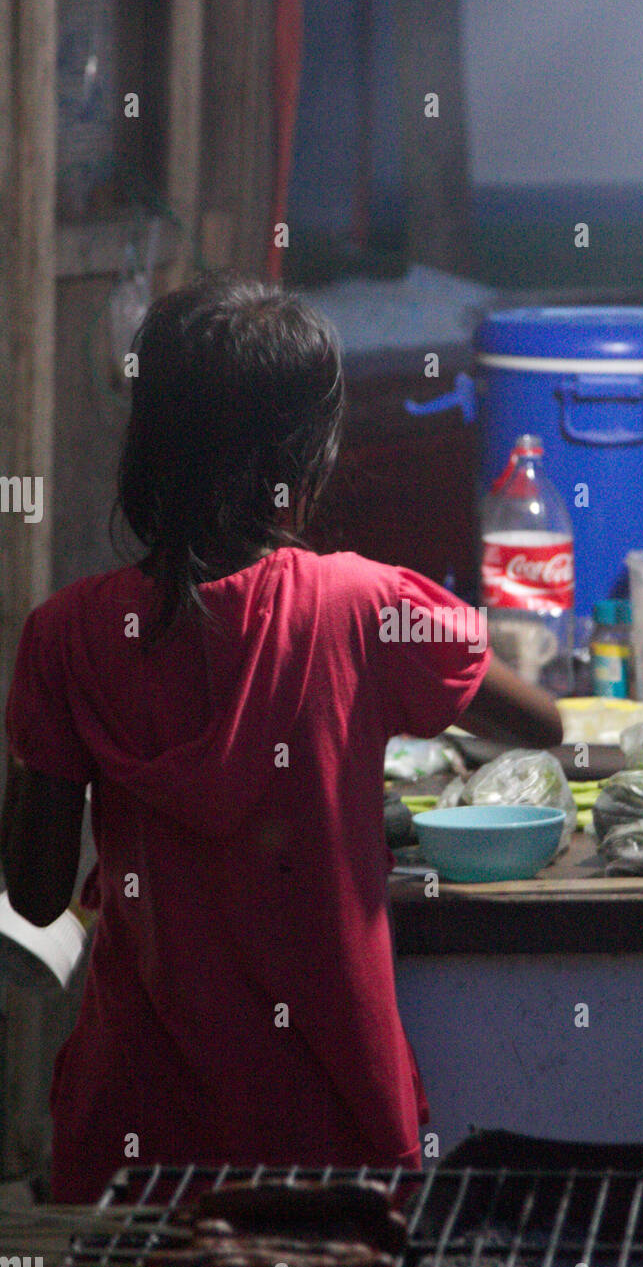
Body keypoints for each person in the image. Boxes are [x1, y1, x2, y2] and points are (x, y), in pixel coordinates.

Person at [0, 273, 562, 1203]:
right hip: (331, 1128)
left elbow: (31, 887)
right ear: (304, 467)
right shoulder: (364, 605)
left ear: (148, 452)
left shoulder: (65, 634)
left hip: (135, 1137)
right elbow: (539, 723)